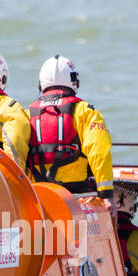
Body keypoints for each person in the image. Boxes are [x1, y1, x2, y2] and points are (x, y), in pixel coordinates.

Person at [27, 55, 113, 195]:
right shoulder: (85, 112)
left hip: (37, 197)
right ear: (74, 82)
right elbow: (99, 152)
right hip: (77, 196)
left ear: (41, 84)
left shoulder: (26, 114)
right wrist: (106, 194)